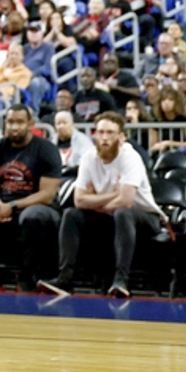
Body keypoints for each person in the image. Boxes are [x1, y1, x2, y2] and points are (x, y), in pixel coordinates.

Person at [39, 111, 169, 298]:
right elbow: (79, 200)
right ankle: (65, 278)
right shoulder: (88, 158)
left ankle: (121, 280)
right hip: (109, 216)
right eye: (100, 132)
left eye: (110, 133)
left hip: (145, 218)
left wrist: (97, 202)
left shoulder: (130, 157)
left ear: (121, 137)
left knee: (123, 212)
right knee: (71, 214)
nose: (104, 138)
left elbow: (126, 201)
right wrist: (113, 195)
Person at [0, 105, 63, 288]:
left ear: (30, 124)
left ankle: (28, 275)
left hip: (40, 207)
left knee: (32, 217)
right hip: (4, 205)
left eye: (20, 122)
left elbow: (47, 195)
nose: (15, 127)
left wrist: (13, 205)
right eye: (10, 122)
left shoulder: (46, 149)